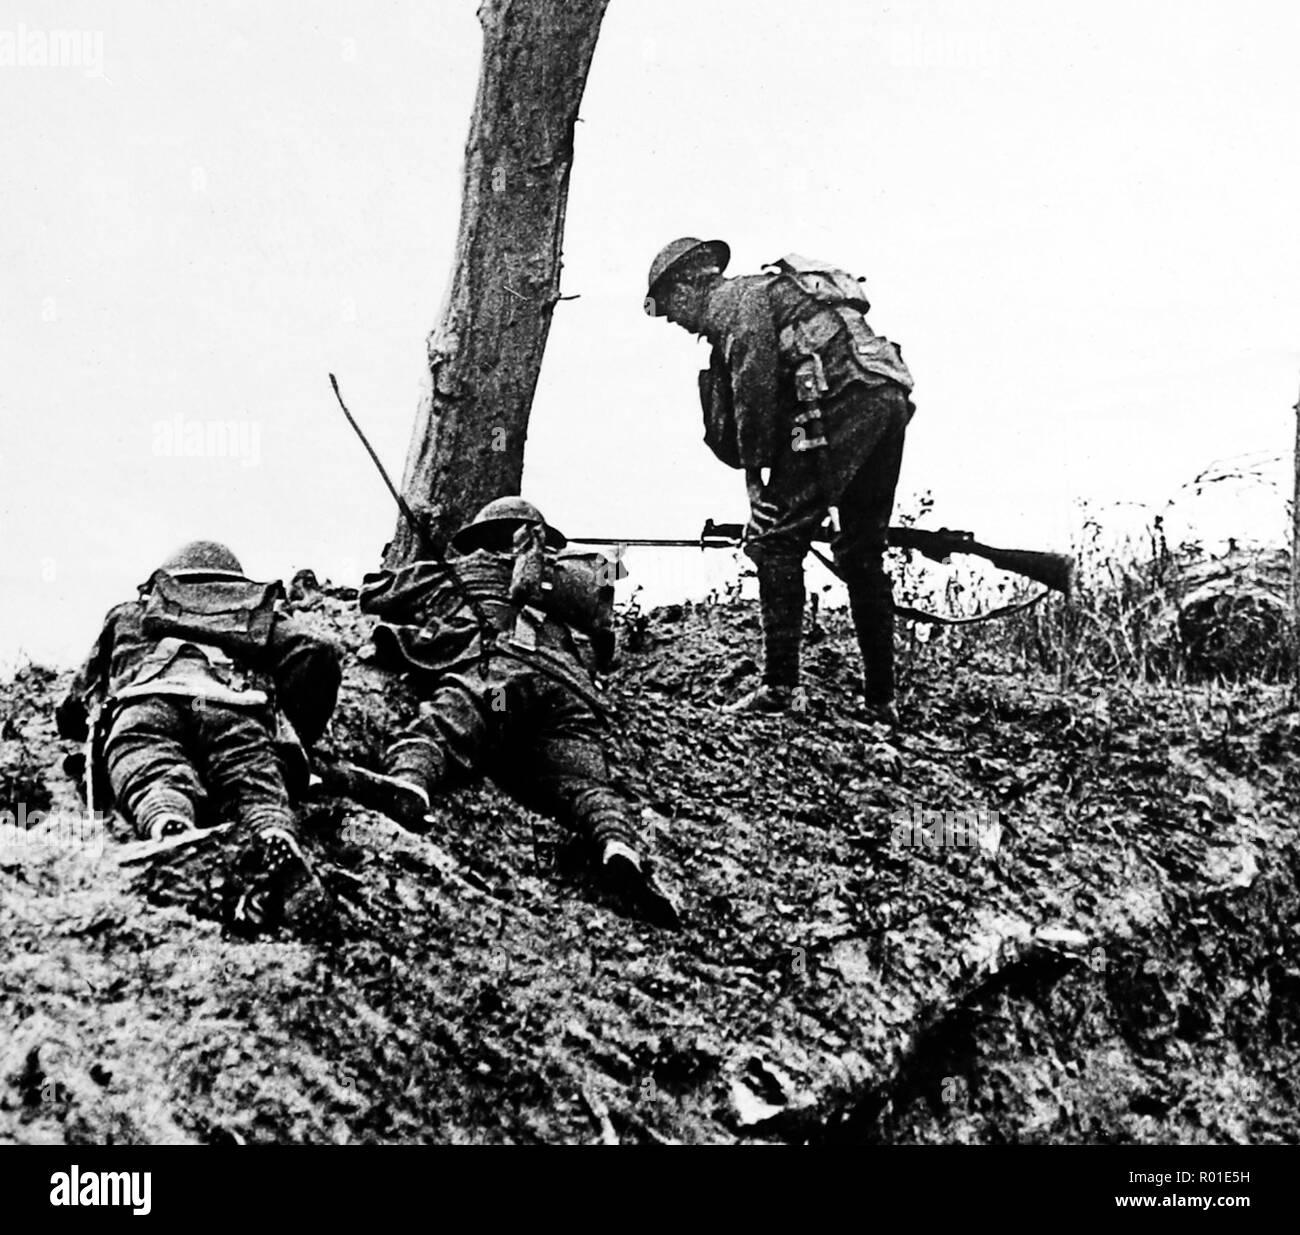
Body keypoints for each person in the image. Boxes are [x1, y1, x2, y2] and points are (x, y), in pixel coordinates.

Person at [358, 497, 679, 928]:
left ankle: (409, 782)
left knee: (455, 721)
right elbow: (606, 645)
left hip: (505, 685)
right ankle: (617, 843)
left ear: (480, 538)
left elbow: (376, 595)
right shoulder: (569, 584)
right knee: (583, 783)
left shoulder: (461, 569)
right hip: (567, 702)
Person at [645, 238, 916, 719]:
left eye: (671, 308)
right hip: (884, 394)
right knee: (860, 549)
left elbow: (752, 390)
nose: (675, 322)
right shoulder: (764, 296)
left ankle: (780, 689)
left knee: (774, 541)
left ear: (689, 285)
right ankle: (882, 701)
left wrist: (755, 486)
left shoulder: (736, 302)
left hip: (842, 401)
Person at [55, 540, 342, 934]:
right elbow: (318, 650)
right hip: (233, 707)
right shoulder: (257, 614)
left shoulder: (129, 614)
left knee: (152, 772)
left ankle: (169, 824)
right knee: (254, 786)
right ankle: (272, 831)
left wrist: (73, 720)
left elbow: (76, 703)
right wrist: (290, 732)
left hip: (146, 703)